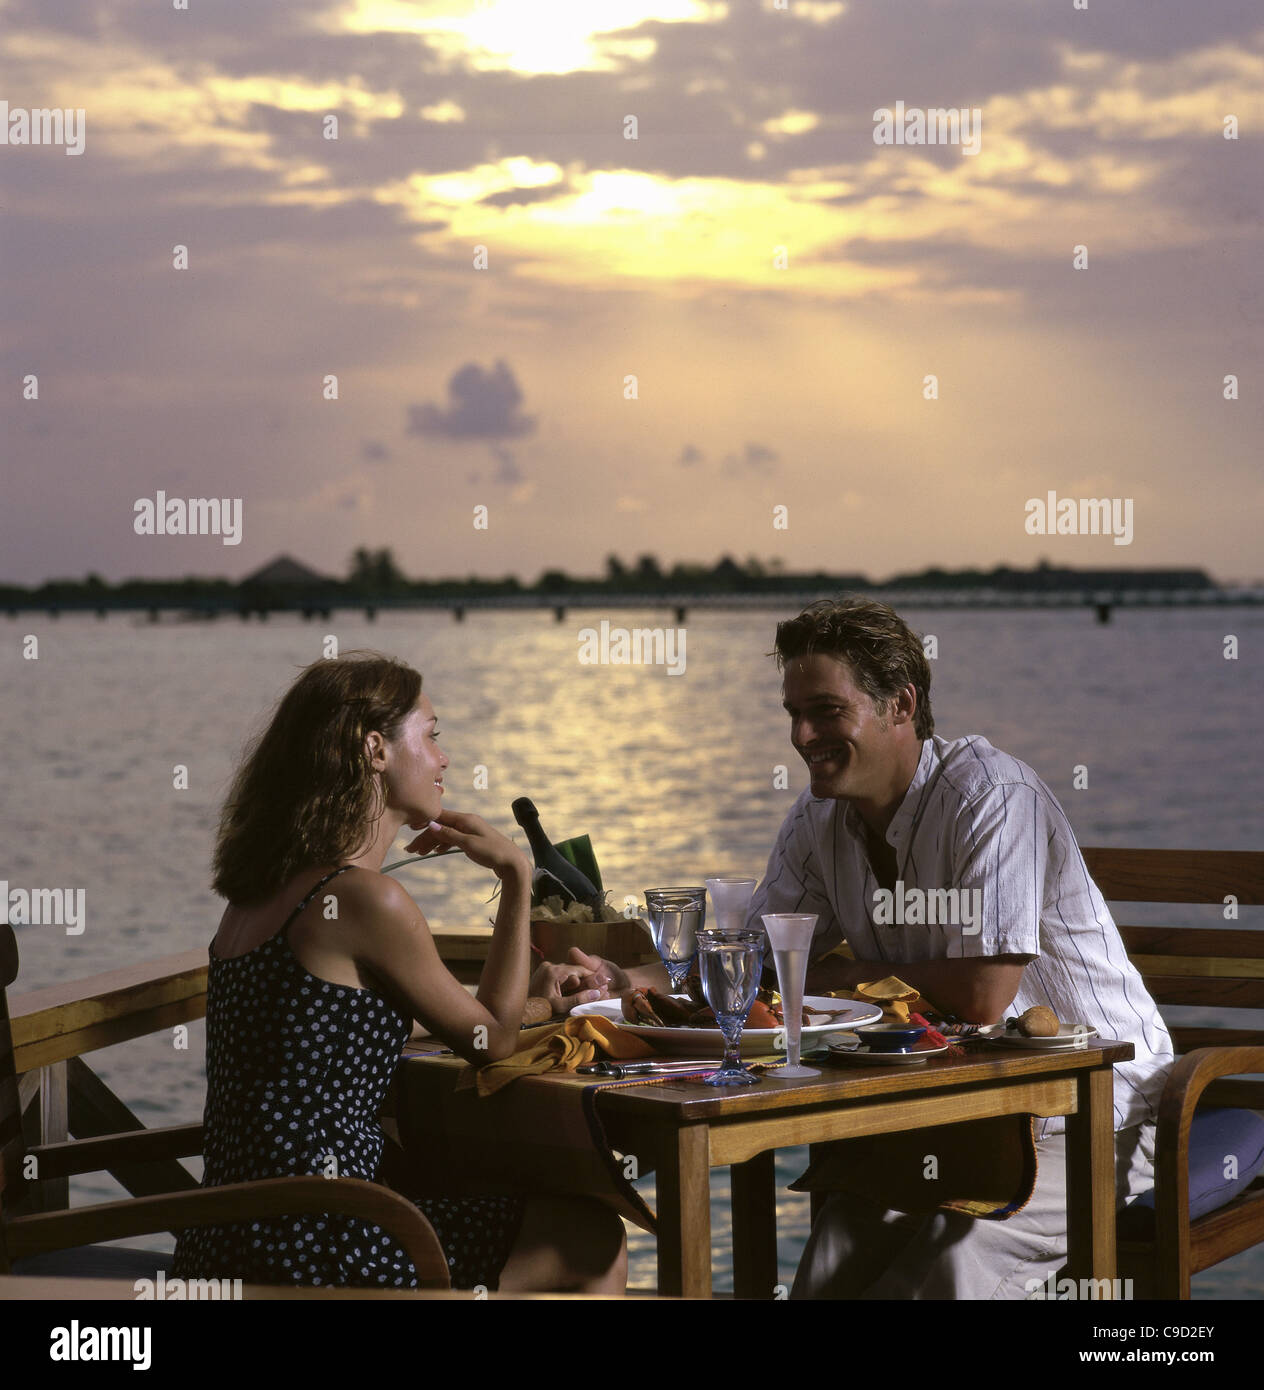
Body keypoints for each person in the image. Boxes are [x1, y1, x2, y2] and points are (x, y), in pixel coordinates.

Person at [748, 598, 1174, 1299]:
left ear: (901, 705)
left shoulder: (991, 795)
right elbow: (763, 958)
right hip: (960, 1113)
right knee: (834, 1249)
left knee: (954, 1261)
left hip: (1101, 1112)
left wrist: (847, 971)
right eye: (793, 712)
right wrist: (617, 973)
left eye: (825, 710)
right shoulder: (819, 813)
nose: (801, 734)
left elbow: (983, 994)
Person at [171, 652, 626, 1294]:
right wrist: (516, 875)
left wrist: (537, 1003)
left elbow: (368, 1028)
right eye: (433, 735)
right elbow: (489, 1045)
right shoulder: (365, 899)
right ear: (376, 748)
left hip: (222, 1240)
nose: (443, 760)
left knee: (477, 1186)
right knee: (590, 1239)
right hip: (320, 1245)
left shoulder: (258, 893)